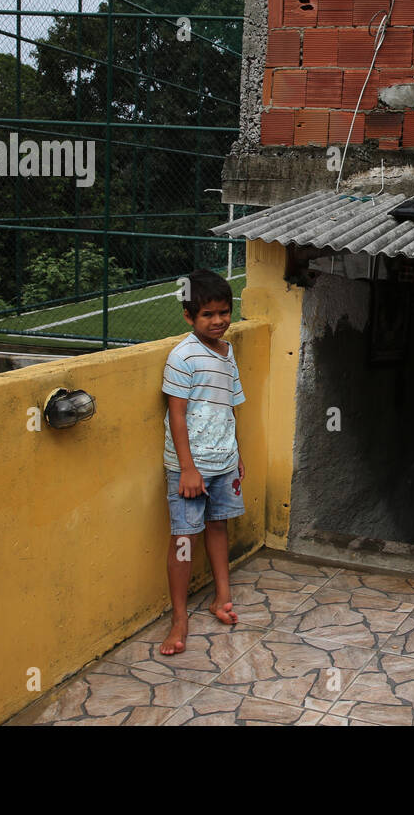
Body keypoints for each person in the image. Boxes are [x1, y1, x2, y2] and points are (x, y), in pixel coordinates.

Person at [159, 269, 245, 655]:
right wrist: (188, 468)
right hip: (189, 468)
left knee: (218, 526)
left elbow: (229, 409)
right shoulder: (182, 356)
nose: (218, 321)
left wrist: (237, 457)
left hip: (225, 462)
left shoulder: (228, 353)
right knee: (183, 538)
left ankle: (221, 598)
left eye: (224, 312)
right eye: (208, 314)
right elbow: (177, 415)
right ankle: (180, 618)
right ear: (189, 317)